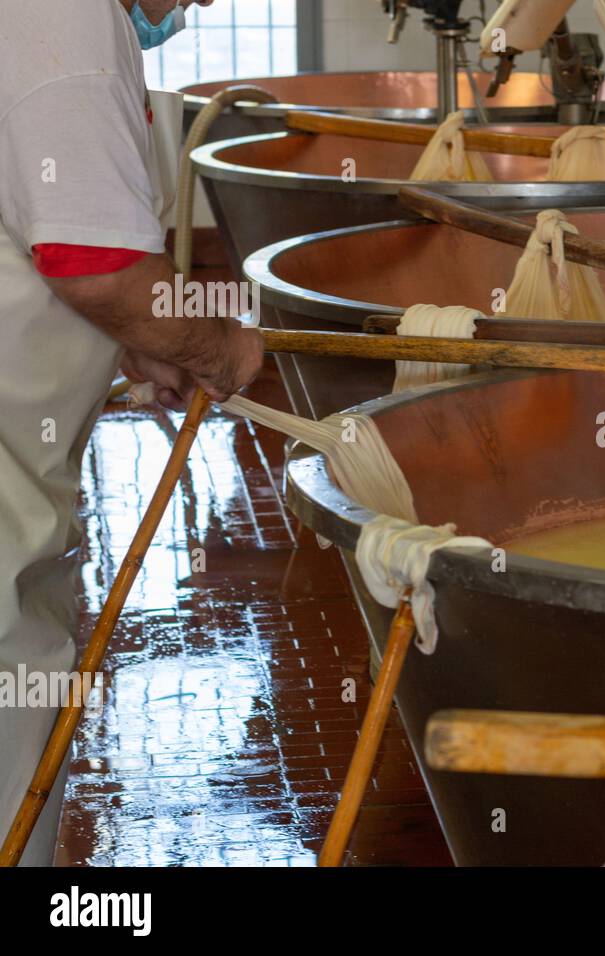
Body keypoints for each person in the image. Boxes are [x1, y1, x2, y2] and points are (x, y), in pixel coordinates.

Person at [0, 0, 264, 865]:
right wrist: (215, 347)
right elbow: (97, 265)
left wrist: (139, 346)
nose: (205, 2)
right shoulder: (66, 19)